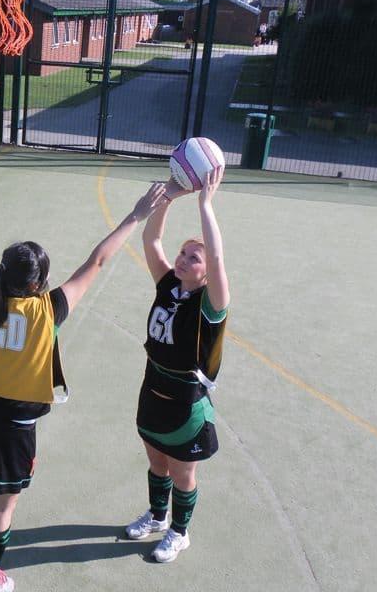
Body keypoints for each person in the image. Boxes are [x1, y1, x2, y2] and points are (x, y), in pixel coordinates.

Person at [0, 183, 166, 592]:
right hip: (14, 428)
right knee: (3, 504)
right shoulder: (48, 309)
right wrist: (135, 215)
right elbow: (97, 261)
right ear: (37, 285)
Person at [124, 166, 229, 563]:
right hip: (153, 387)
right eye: (183, 254)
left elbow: (218, 258)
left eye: (193, 258)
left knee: (184, 473)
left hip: (186, 400)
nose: (184, 261)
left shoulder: (211, 305)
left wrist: (204, 202)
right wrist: (168, 195)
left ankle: (179, 533)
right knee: (155, 459)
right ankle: (156, 515)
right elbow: (152, 238)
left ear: (207, 273)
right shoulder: (168, 284)